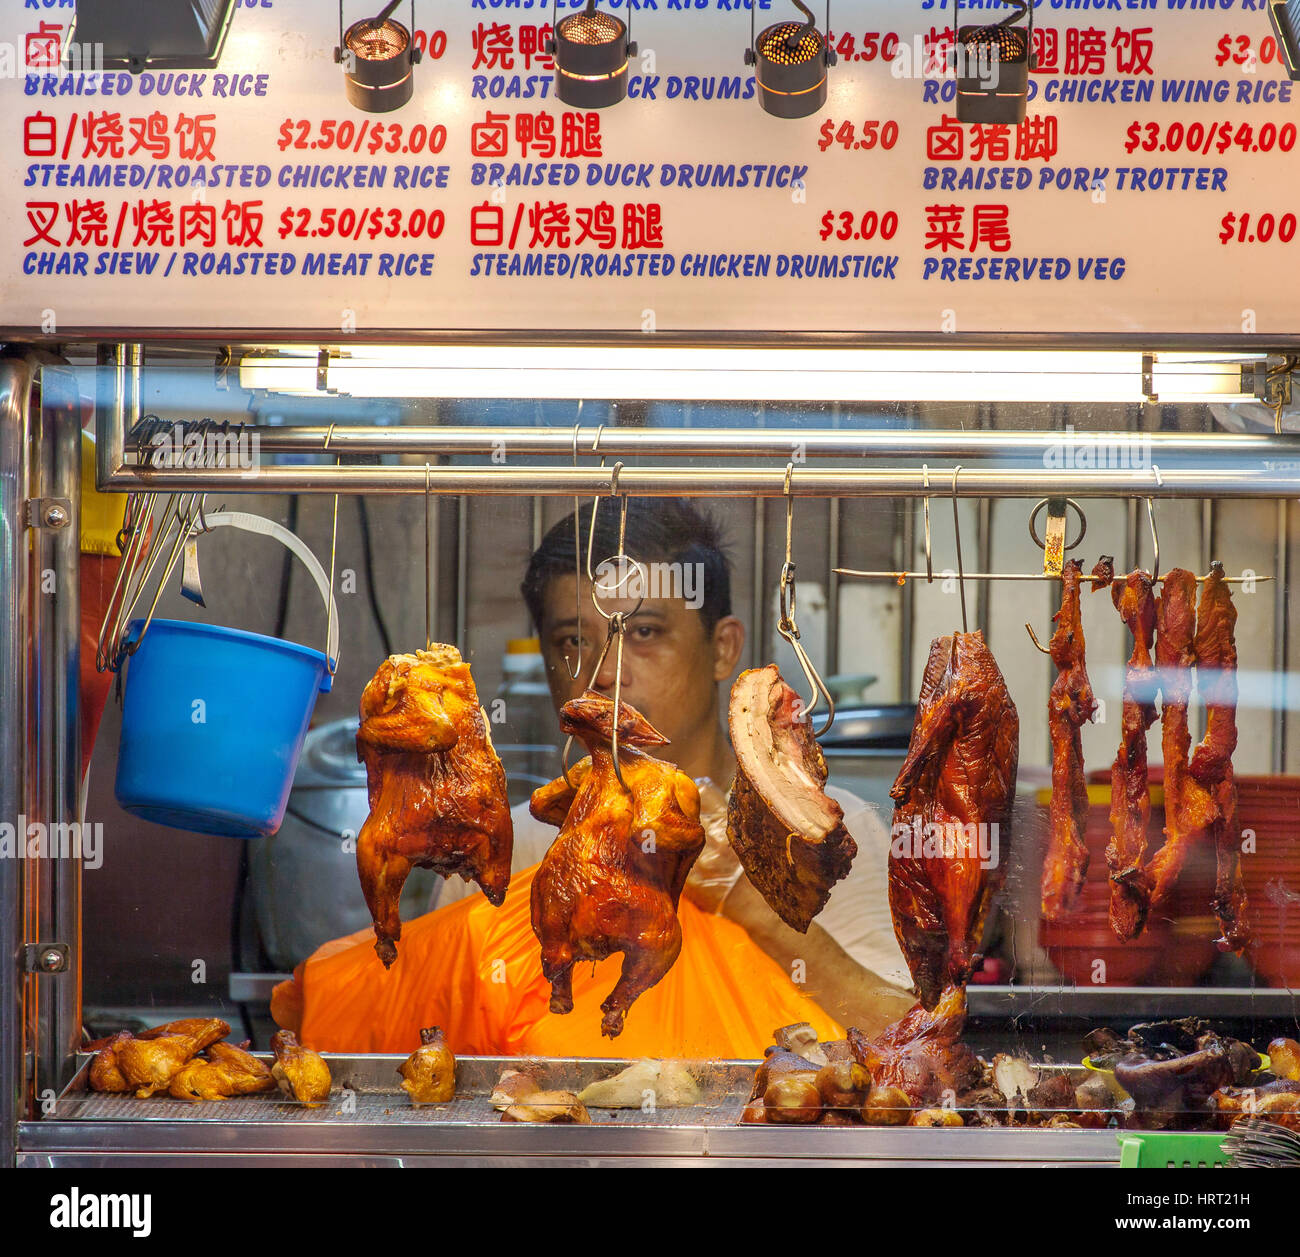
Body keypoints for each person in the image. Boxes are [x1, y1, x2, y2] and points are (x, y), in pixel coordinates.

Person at [272, 499, 913, 1057]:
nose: (605, 672)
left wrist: (756, 907)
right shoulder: (510, 846)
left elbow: (898, 1041)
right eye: (573, 642)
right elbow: (450, 1047)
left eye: (644, 633)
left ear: (723, 648)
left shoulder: (826, 844)